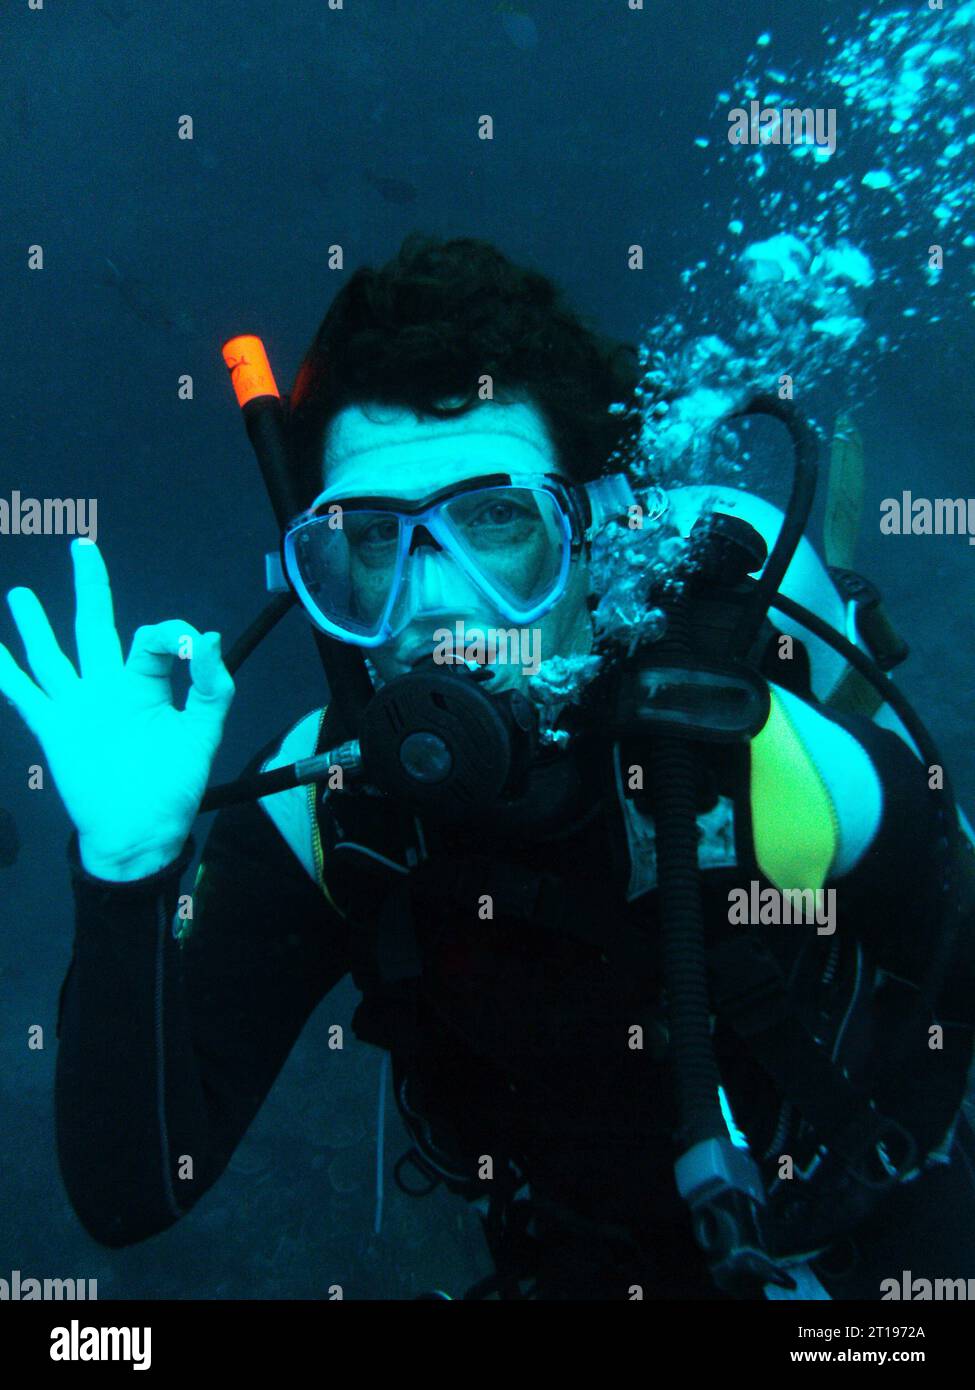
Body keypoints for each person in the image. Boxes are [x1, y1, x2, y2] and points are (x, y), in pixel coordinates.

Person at [2, 234, 974, 1300]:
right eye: (373, 540)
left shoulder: (757, 765)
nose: (435, 603)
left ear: (594, 538)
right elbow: (132, 1193)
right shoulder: (332, 810)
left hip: (865, 1242)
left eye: (499, 519)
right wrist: (126, 870)